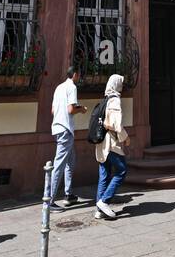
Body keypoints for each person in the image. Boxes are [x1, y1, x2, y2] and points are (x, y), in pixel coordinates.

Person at [46, 67, 87, 207]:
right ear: (74, 75)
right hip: (65, 129)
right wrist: (81, 109)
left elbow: (53, 110)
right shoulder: (72, 87)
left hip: (58, 127)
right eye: (79, 75)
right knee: (59, 164)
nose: (79, 77)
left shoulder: (58, 88)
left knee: (71, 161)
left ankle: (68, 194)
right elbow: (70, 110)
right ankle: (49, 200)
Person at [94, 73, 130, 219]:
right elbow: (116, 124)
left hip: (101, 143)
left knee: (104, 174)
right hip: (110, 143)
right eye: (120, 83)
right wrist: (125, 138)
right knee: (121, 170)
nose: (121, 86)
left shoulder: (105, 99)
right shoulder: (115, 100)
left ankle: (99, 209)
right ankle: (104, 201)